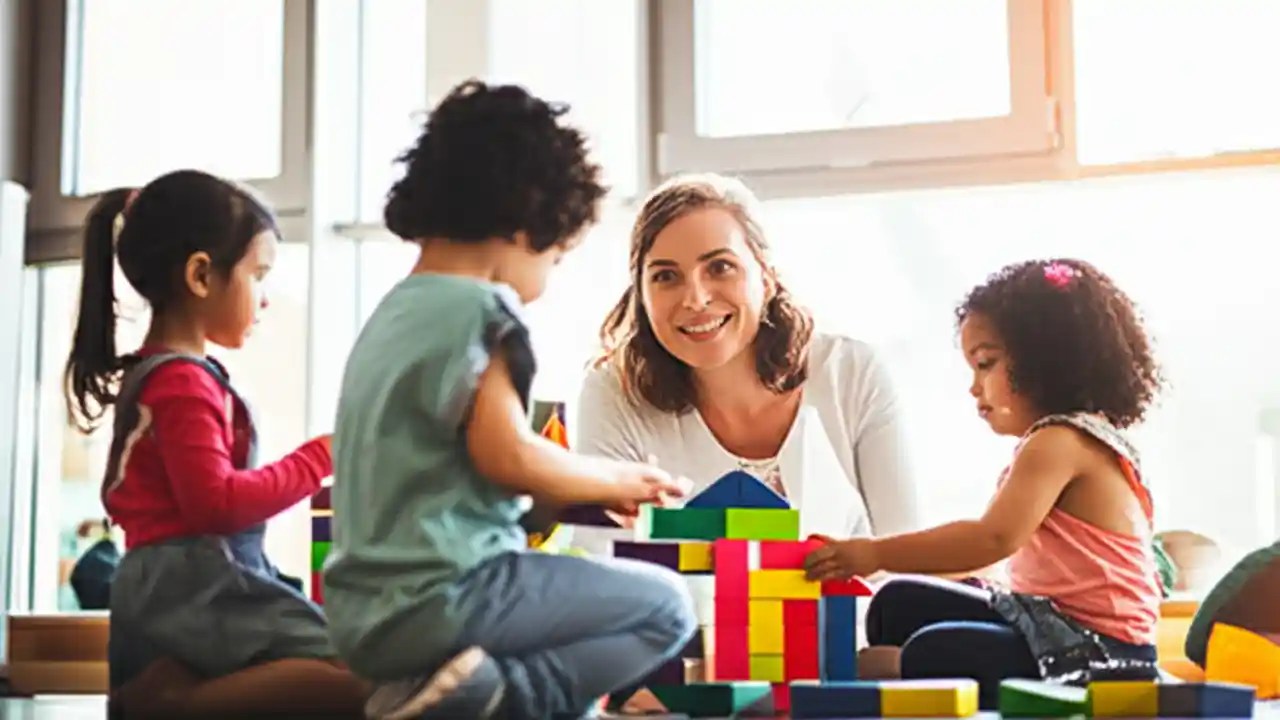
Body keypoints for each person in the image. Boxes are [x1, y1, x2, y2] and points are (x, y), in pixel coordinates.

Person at [324, 80, 697, 720]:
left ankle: (464, 692)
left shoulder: (390, 316)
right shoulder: (480, 309)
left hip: (365, 618)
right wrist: (608, 477)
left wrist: (563, 498)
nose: (546, 281)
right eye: (556, 256)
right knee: (664, 607)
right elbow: (508, 455)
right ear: (529, 224)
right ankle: (500, 694)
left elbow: (442, 475)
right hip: (451, 594)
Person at [63, 170, 367, 717]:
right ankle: (174, 703)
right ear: (201, 275)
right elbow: (216, 503)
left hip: (175, 580)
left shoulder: (167, 374)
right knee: (365, 679)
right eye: (259, 275)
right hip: (191, 585)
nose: (266, 299)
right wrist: (319, 456)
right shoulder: (182, 382)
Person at [804, 258, 1164, 709]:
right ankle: (909, 669)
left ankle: (902, 670)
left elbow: (992, 538)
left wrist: (871, 553)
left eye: (985, 364)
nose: (975, 387)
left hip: (1100, 657)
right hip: (1045, 625)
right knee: (896, 602)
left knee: (934, 648)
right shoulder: (1067, 439)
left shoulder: (1059, 442)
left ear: (1043, 360)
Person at [574, 172, 920, 551]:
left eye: (720, 267)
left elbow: (904, 554)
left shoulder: (851, 374)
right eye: (666, 276)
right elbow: (601, 558)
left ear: (766, 277)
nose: (695, 299)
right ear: (641, 293)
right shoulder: (615, 391)